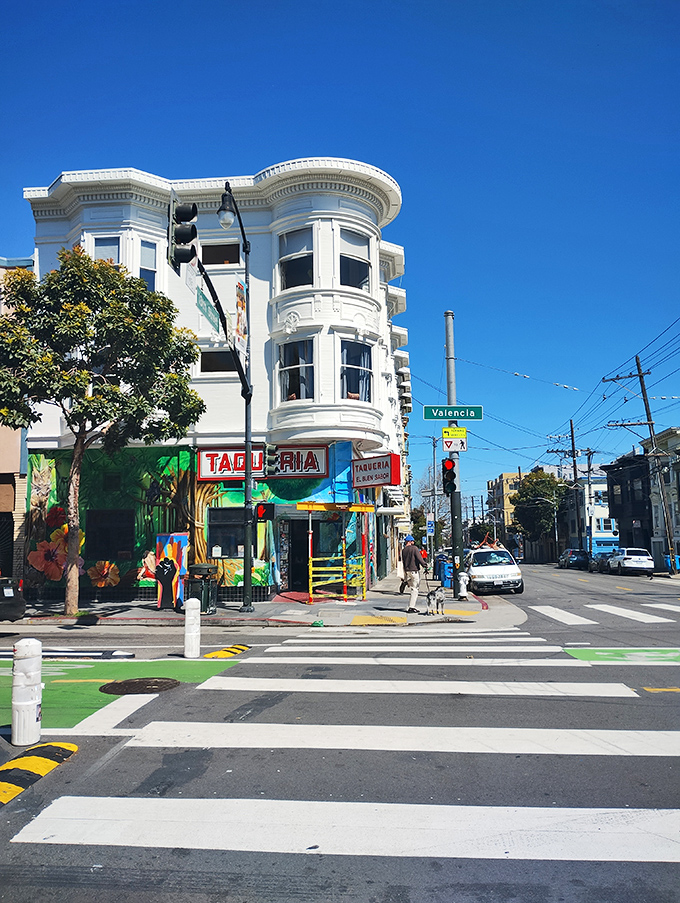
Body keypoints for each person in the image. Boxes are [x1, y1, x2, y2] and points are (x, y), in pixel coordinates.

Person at [401, 535, 425, 614]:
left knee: (412, 587)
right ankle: (411, 607)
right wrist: (425, 565)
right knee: (415, 589)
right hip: (414, 571)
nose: (413, 542)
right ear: (409, 541)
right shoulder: (414, 549)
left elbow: (403, 562)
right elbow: (419, 559)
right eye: (412, 541)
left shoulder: (403, 550)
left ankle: (405, 582)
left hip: (407, 571)